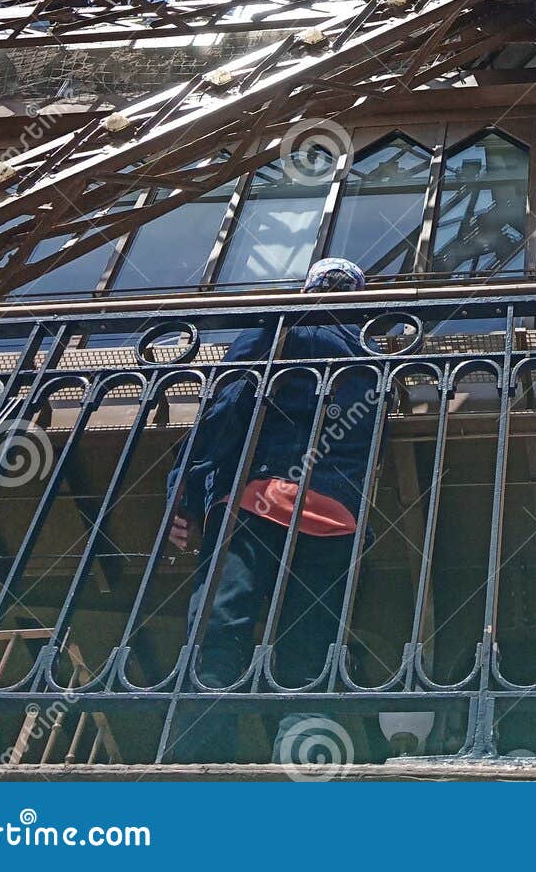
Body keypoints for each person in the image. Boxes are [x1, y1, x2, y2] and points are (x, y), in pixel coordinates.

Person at [167, 257, 377, 760]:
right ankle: (303, 753)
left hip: (257, 500)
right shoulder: (371, 357)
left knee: (220, 623)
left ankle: (200, 752)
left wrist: (187, 495)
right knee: (310, 636)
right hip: (335, 513)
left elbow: (226, 410)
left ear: (308, 288)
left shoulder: (281, 328)